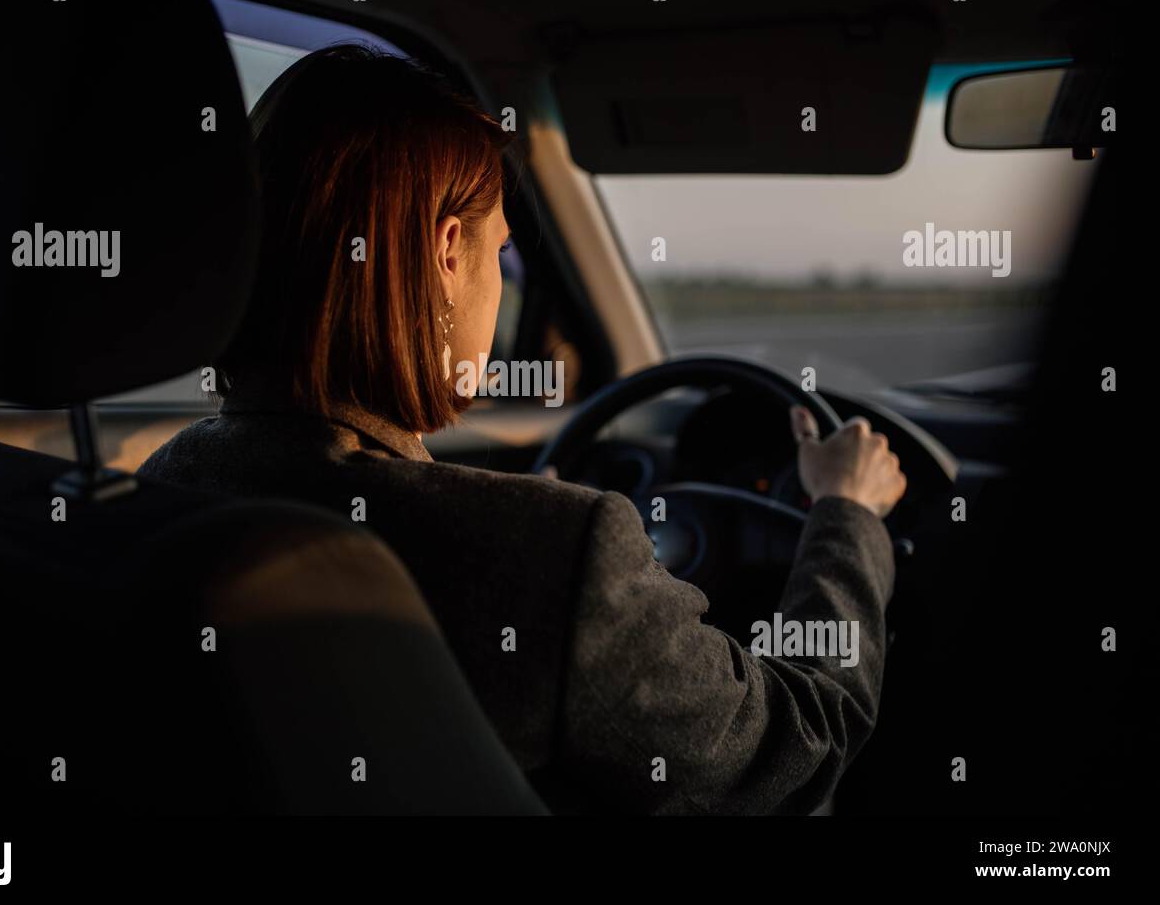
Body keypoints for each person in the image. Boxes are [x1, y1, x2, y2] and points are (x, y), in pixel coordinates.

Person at [139, 43, 907, 814]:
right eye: (499, 248)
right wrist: (847, 516)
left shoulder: (161, 490)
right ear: (446, 252)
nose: (499, 282)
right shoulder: (556, 549)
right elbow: (802, 753)